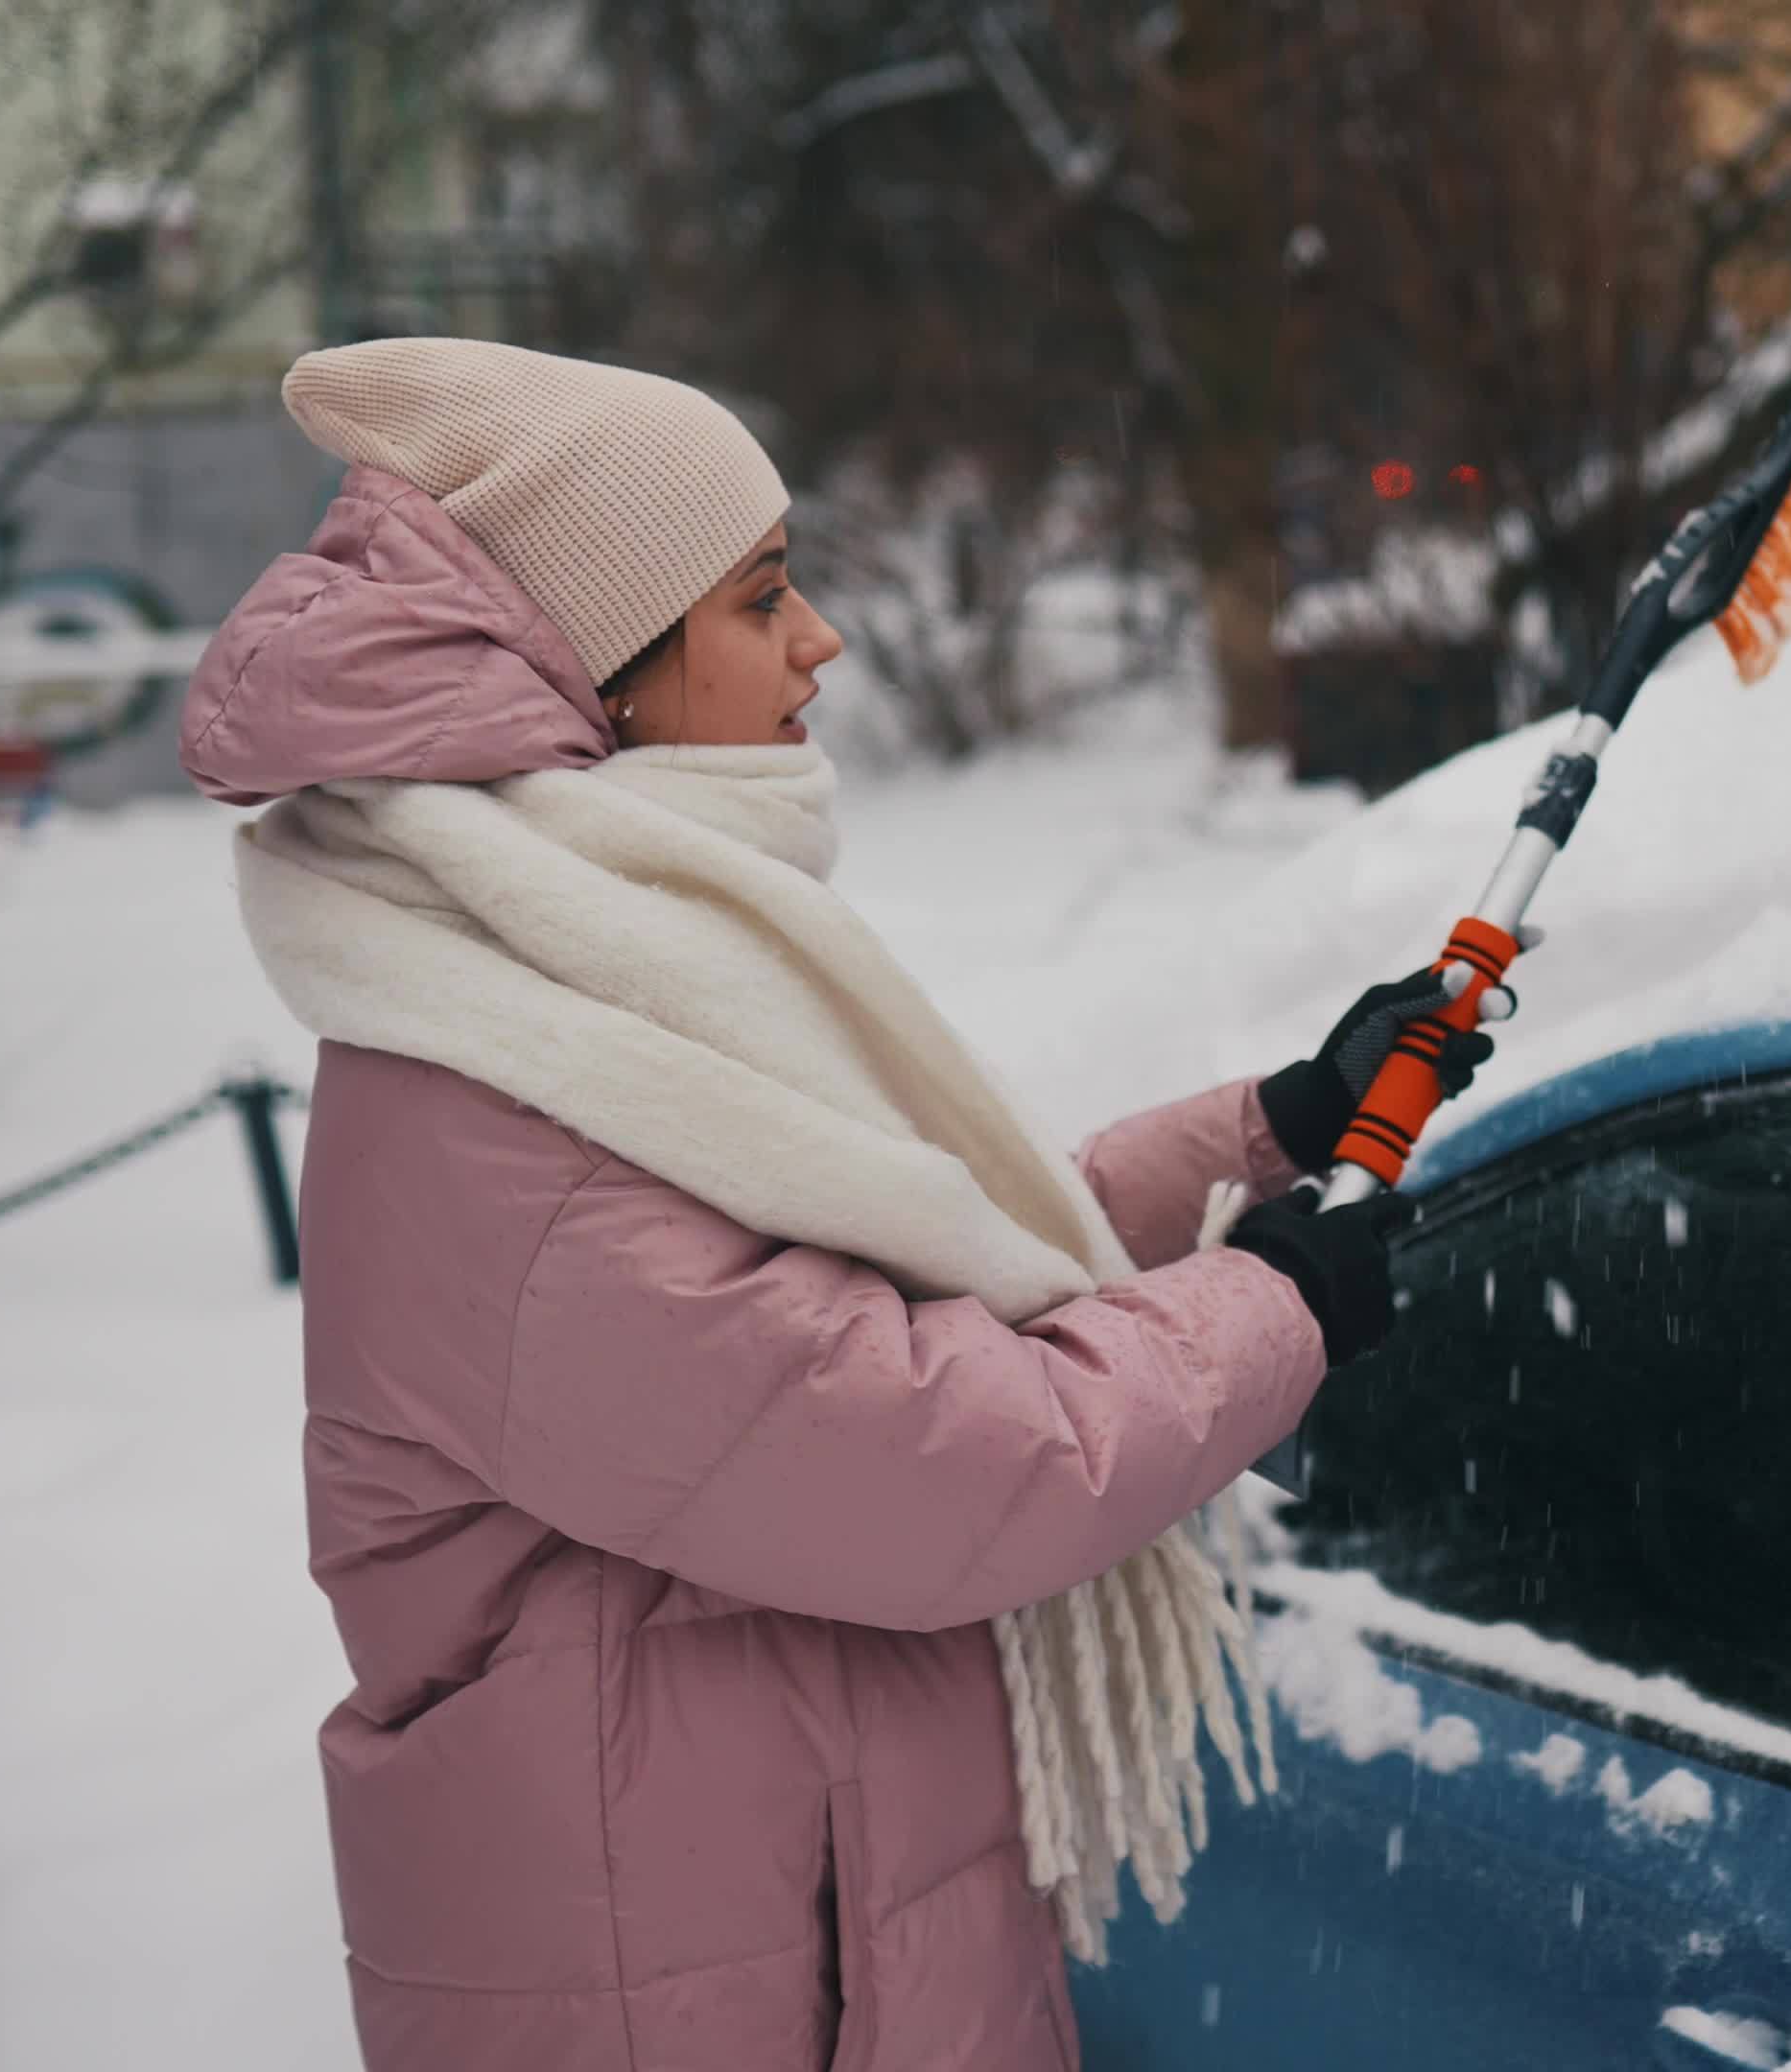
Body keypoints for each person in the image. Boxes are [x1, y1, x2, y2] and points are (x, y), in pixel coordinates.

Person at [182, 338, 1496, 2072]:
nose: (823, 641)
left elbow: (893, 1266)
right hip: (686, 2004)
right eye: (761, 597)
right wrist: (1277, 1307)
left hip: (815, 1935)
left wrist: (1270, 1128)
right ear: (595, 668)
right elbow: (944, 1457)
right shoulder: (498, 1110)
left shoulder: (596, 975)